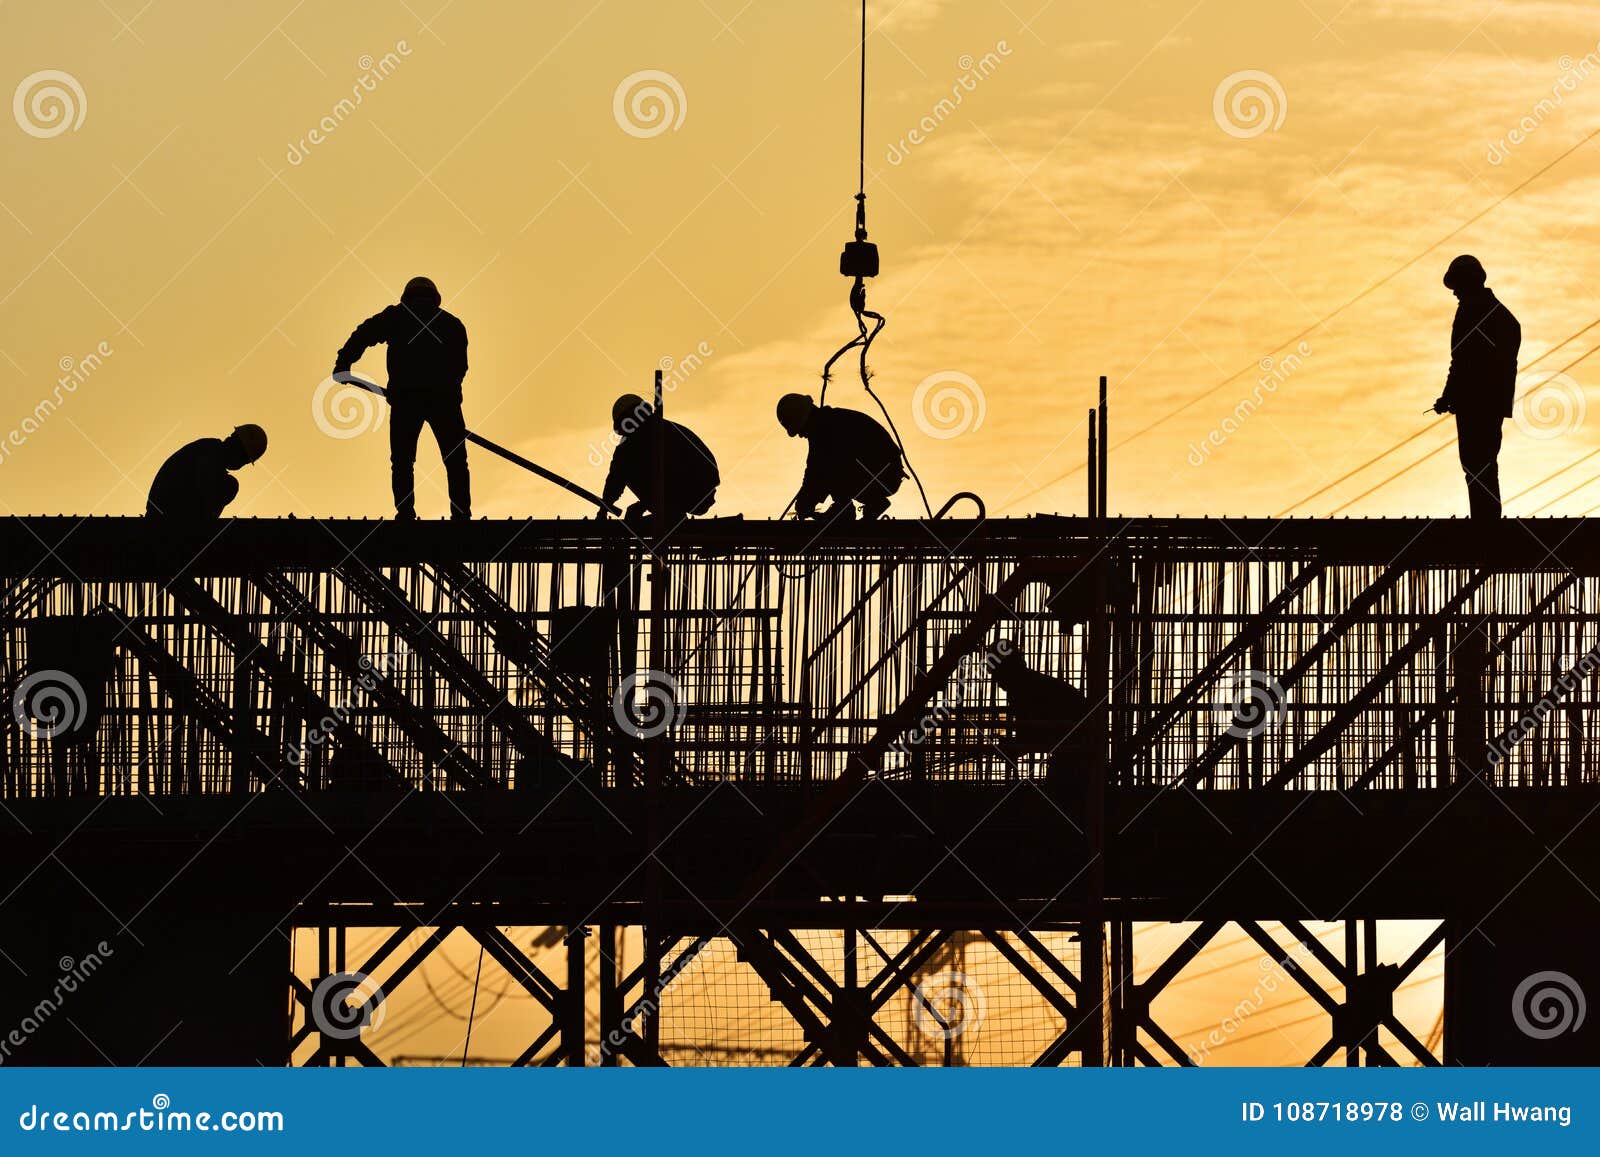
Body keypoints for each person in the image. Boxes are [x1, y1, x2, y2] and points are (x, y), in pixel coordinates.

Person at [332, 276, 471, 520]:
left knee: (403, 461)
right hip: (442, 401)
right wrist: (446, 391)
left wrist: (344, 363)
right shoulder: (451, 324)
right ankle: (461, 515)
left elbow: (363, 334)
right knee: (456, 460)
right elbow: (460, 367)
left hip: (408, 400)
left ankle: (406, 513)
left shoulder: (397, 317)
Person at [1432, 255, 1520, 520]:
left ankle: (1484, 523)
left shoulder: (1474, 311)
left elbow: (1461, 360)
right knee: (1482, 463)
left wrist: (1451, 395)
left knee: (1476, 463)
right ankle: (1486, 520)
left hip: (1477, 403)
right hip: (1487, 403)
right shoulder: (1498, 313)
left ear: (1468, 282)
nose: (1455, 293)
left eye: (1457, 285)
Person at [776, 393, 903, 520]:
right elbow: (815, 470)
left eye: (800, 430)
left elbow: (817, 471)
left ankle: (844, 507)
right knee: (832, 464)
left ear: (803, 420)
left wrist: (806, 501)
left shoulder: (826, 429)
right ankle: (872, 502)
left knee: (831, 465)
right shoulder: (829, 422)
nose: (800, 435)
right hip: (886, 475)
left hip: (883, 474)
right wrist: (806, 500)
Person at [985, 639, 1091, 793]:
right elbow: (1031, 735)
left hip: (1077, 751)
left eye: (996, 674)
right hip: (1075, 749)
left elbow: (1030, 736)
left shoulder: (1024, 691)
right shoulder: (1032, 685)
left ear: (1006, 670)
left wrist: (1012, 747)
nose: (996, 681)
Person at [600, 395, 720, 520]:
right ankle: (670, 513)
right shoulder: (663, 428)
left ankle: (670, 513)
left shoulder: (637, 442)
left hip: (694, 489)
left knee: (626, 461)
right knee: (627, 461)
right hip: (702, 490)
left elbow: (616, 478)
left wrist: (604, 509)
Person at [146, 424, 267, 519]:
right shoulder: (210, 453)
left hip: (164, 511)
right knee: (231, 485)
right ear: (240, 453)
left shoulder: (209, 449)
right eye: (244, 460)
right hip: (168, 514)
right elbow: (205, 490)